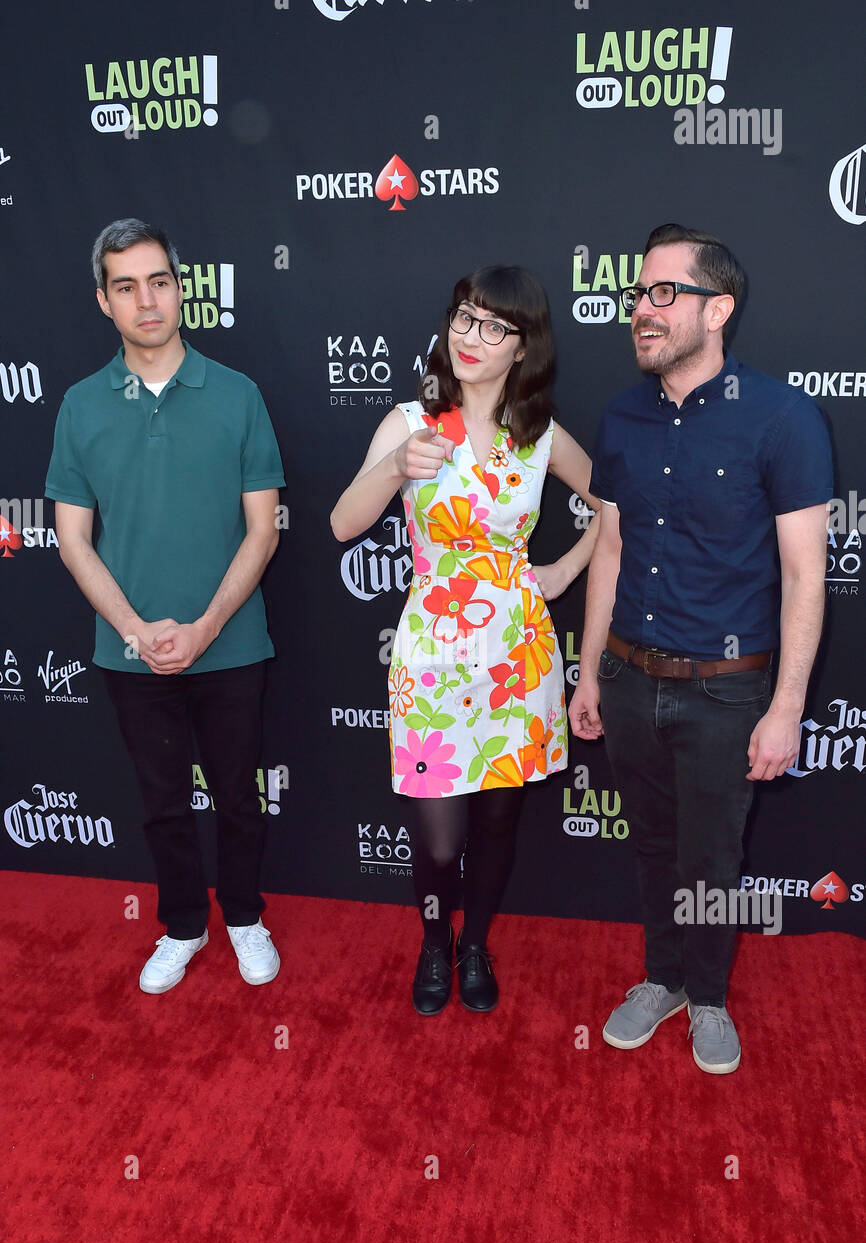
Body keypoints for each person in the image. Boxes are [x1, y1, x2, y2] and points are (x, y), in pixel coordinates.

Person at [569, 223, 832, 1073]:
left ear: (717, 309)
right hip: (628, 675)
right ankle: (664, 978)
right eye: (639, 295)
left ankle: (709, 996)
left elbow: (803, 575)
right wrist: (589, 671)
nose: (643, 310)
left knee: (711, 857)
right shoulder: (621, 414)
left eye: (664, 294)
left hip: (726, 692)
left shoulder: (784, 417)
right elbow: (607, 548)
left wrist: (786, 709)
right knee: (651, 844)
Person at [332, 266, 599, 1014]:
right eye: (463, 318)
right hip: (433, 659)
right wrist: (392, 469)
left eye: (493, 326)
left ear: (523, 347)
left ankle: (476, 943)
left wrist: (564, 569)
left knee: (497, 824)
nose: (471, 337)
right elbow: (342, 525)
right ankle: (432, 942)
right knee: (441, 842)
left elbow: (612, 498)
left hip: (517, 656)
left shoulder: (538, 433)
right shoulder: (410, 422)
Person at [45, 218, 285, 995]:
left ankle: (245, 917)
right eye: (126, 286)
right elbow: (74, 540)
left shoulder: (238, 395)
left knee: (239, 798)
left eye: (159, 281)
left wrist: (208, 626)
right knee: (161, 803)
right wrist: (136, 630)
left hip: (233, 642)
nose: (147, 300)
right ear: (103, 302)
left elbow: (262, 530)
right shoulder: (81, 407)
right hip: (129, 651)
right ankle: (183, 926)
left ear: (180, 289)